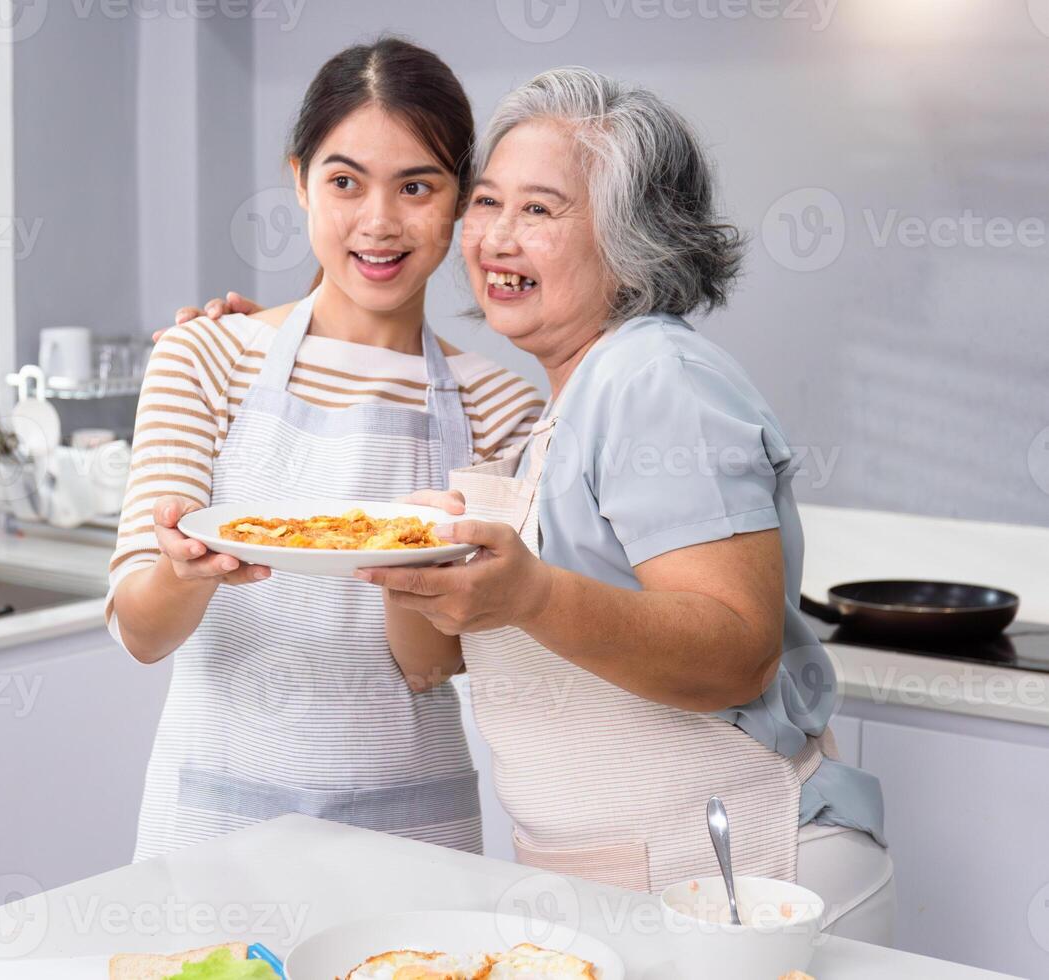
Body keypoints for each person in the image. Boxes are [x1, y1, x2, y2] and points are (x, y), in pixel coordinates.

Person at [181, 67, 894, 944]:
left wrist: (530, 595)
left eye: (540, 211)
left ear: (633, 240)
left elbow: (736, 653)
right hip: (634, 882)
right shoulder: (559, 410)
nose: (493, 240)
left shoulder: (654, 378)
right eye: (485, 203)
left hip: (742, 879)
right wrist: (415, 571)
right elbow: (440, 662)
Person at [107, 38, 544, 862]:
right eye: (345, 182)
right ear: (300, 180)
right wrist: (182, 569)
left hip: (413, 829)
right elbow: (141, 630)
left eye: (417, 186)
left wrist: (407, 562)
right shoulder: (205, 357)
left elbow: (435, 666)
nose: (379, 223)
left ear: (459, 203)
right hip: (214, 820)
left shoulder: (501, 405)